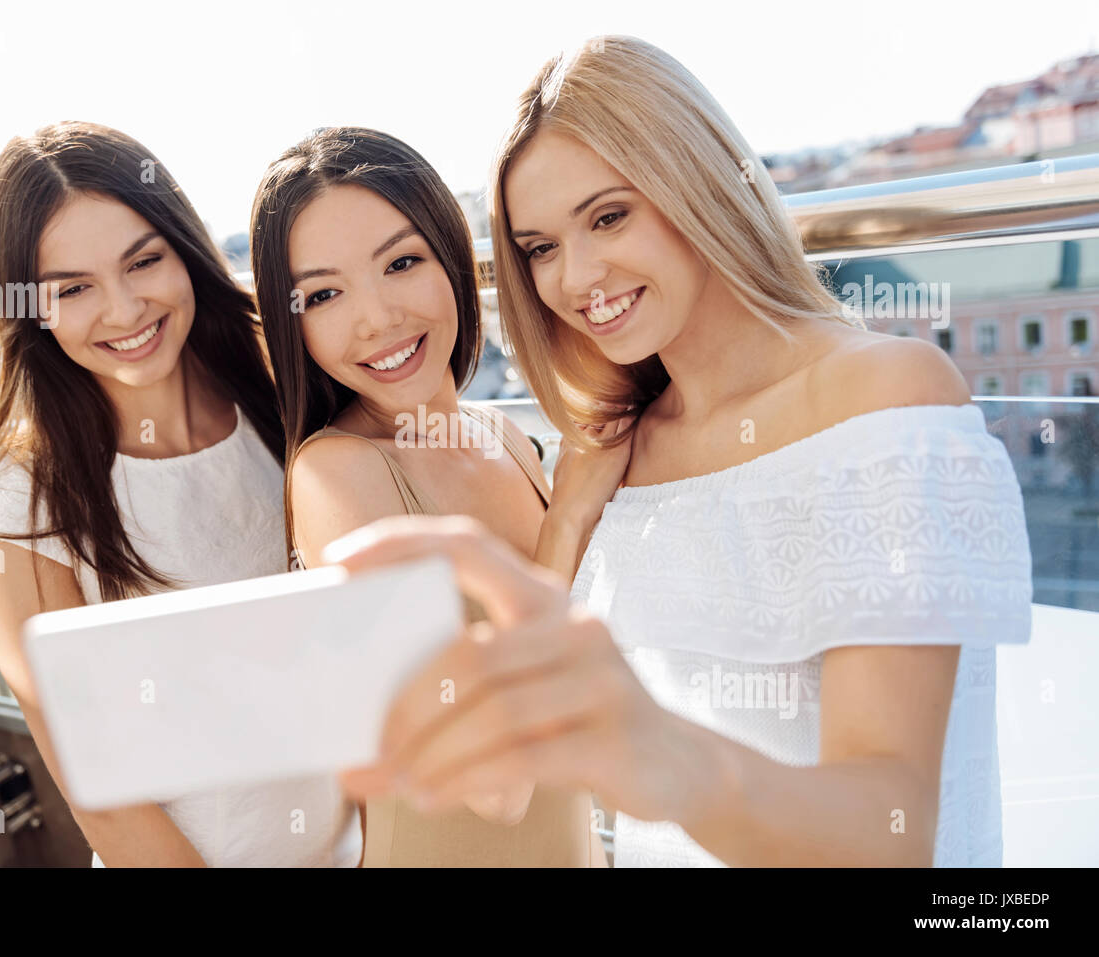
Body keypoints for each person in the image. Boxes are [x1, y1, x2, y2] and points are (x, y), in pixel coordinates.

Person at [337, 36, 1033, 867]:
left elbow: (893, 830)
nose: (577, 277)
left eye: (609, 215)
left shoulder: (888, 393)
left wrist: (663, 758)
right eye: (541, 248)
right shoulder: (618, 448)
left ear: (699, 181)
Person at [0, 121, 360, 867]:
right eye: (72, 288)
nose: (124, 309)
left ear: (185, 251)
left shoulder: (283, 394)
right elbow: (101, 791)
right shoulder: (17, 509)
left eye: (144, 261)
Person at [250, 127, 612, 865]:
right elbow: (497, 786)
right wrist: (570, 515)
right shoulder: (335, 478)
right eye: (323, 293)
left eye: (403, 262)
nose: (376, 318)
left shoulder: (505, 437)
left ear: (453, 258)